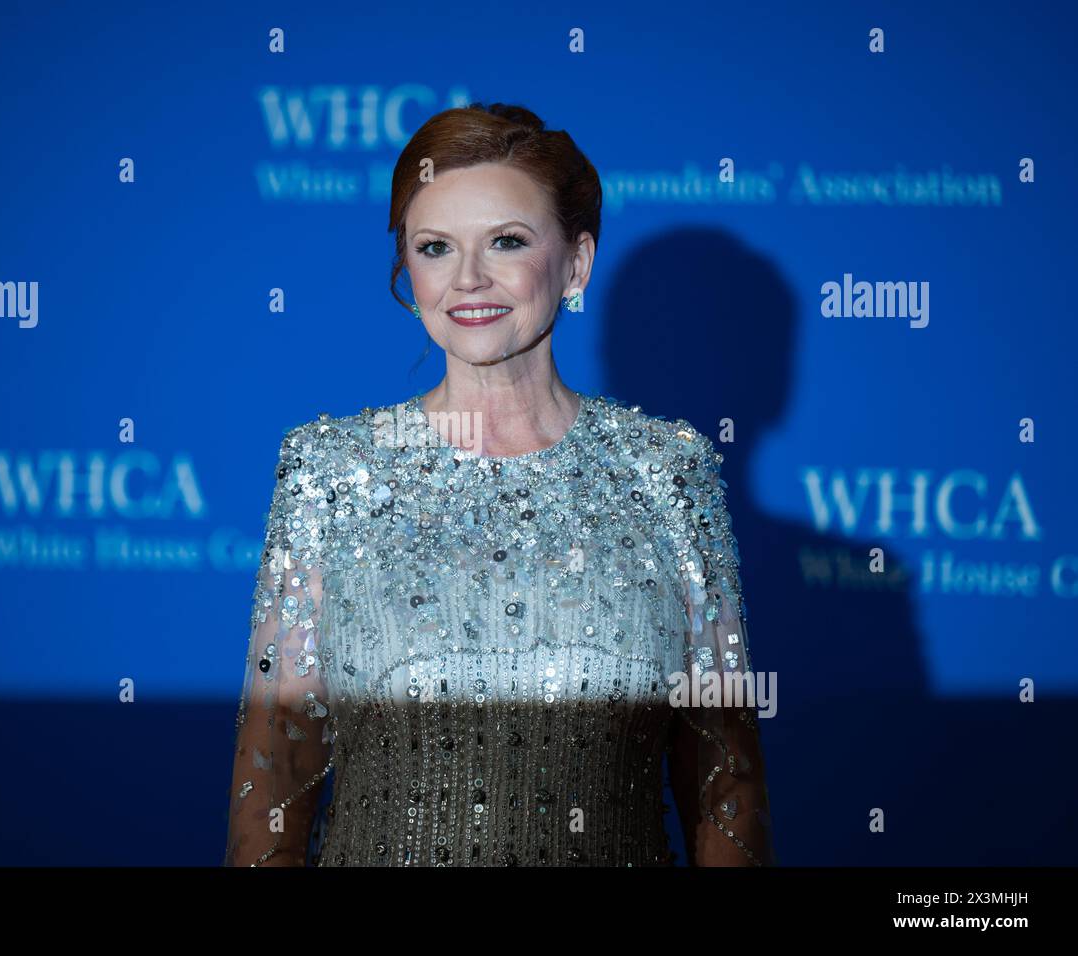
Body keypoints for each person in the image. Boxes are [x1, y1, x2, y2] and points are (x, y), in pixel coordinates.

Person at [224, 102, 774, 867]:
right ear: (407, 271)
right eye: (436, 247)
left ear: (577, 263)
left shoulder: (667, 471)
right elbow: (273, 776)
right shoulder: (329, 471)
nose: (469, 279)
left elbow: (726, 782)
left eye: (507, 242)